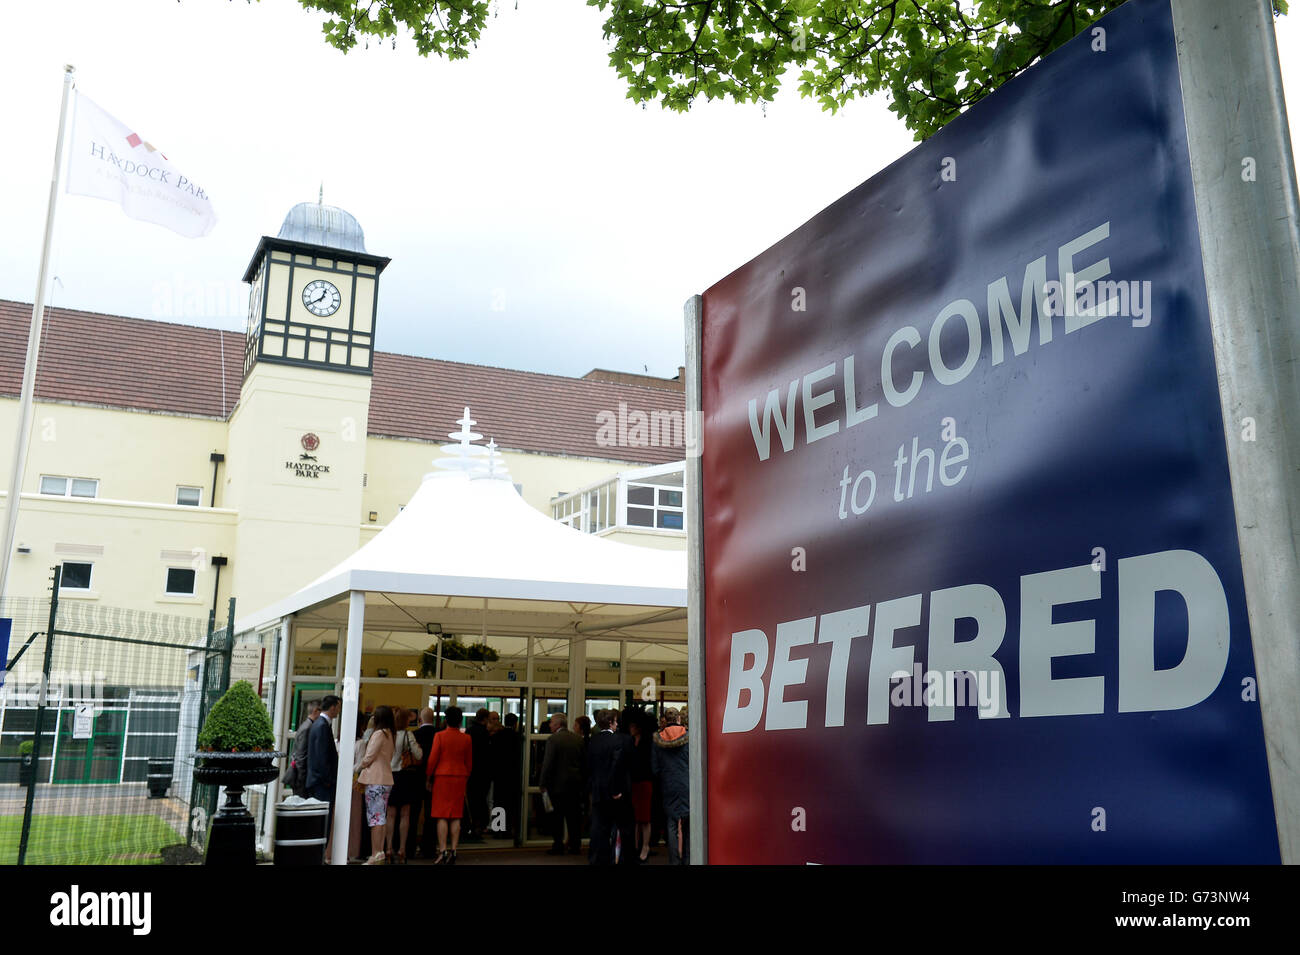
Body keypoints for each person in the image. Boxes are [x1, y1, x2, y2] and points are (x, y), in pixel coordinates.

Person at [426, 705, 473, 865]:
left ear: (446, 719)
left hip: (442, 777)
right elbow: (469, 762)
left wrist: (428, 776)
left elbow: (433, 759)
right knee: (456, 816)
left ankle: (443, 850)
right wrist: (465, 777)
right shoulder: (466, 738)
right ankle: (454, 850)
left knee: (442, 816)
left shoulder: (439, 736)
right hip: (459, 777)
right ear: (460, 720)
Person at [586, 709, 634, 865]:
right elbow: (616, 766)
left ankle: (597, 859)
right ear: (610, 722)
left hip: (598, 791)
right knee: (621, 826)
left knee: (599, 828)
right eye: (615, 721)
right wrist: (615, 790)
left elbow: (588, 767)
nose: (617, 723)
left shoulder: (593, 740)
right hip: (615, 792)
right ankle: (619, 859)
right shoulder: (618, 741)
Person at [538, 712, 584, 855]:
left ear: (558, 724)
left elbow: (548, 764)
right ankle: (575, 845)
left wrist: (542, 783)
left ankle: (558, 845)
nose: (550, 725)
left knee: (557, 817)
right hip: (575, 785)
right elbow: (583, 763)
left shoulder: (553, 740)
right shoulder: (577, 739)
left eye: (551, 722)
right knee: (573, 817)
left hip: (557, 786)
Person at [357, 704, 396, 864]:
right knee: (381, 816)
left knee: (375, 818)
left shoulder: (378, 734)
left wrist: (358, 766)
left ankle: (376, 853)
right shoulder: (390, 734)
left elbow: (369, 756)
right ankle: (379, 851)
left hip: (375, 780)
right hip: (386, 778)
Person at [386, 707, 424, 864]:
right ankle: (402, 848)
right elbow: (419, 755)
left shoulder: (387, 735)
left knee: (390, 814)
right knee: (405, 815)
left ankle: (388, 848)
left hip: (390, 776)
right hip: (405, 777)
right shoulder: (408, 735)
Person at [652, 707, 690, 865]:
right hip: (686, 783)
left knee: (672, 824)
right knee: (687, 824)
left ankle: (674, 861)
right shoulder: (688, 736)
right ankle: (687, 859)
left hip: (668, 785)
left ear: (665, 721)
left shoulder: (657, 739)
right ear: (679, 719)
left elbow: (654, 768)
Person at [488, 712, 523, 840]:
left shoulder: (497, 737)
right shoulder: (518, 737)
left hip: (499, 775)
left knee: (499, 802)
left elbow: (492, 756)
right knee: (510, 804)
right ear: (515, 724)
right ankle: (508, 830)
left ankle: (498, 830)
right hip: (513, 775)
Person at [411, 707, 438, 859]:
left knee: (413, 813)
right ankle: (429, 847)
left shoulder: (414, 735)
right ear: (433, 719)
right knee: (431, 814)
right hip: (434, 778)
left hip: (415, 778)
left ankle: (410, 846)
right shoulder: (438, 735)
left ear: (420, 719)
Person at [628, 708, 655, 862]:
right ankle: (637, 846)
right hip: (634, 781)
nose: (630, 729)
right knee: (636, 817)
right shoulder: (631, 741)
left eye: (632, 726)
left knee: (644, 817)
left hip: (644, 781)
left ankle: (645, 846)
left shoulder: (647, 742)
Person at [465, 708, 491, 841]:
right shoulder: (485, 733)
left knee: (473, 801)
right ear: (485, 719)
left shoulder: (469, 731)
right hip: (483, 772)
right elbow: (488, 754)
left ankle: (473, 826)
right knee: (482, 800)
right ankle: (482, 827)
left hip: (470, 772)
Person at [284, 699, 320, 797]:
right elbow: (301, 755)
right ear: (316, 711)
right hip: (301, 778)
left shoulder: (306, 725)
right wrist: (303, 779)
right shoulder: (308, 728)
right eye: (320, 712)